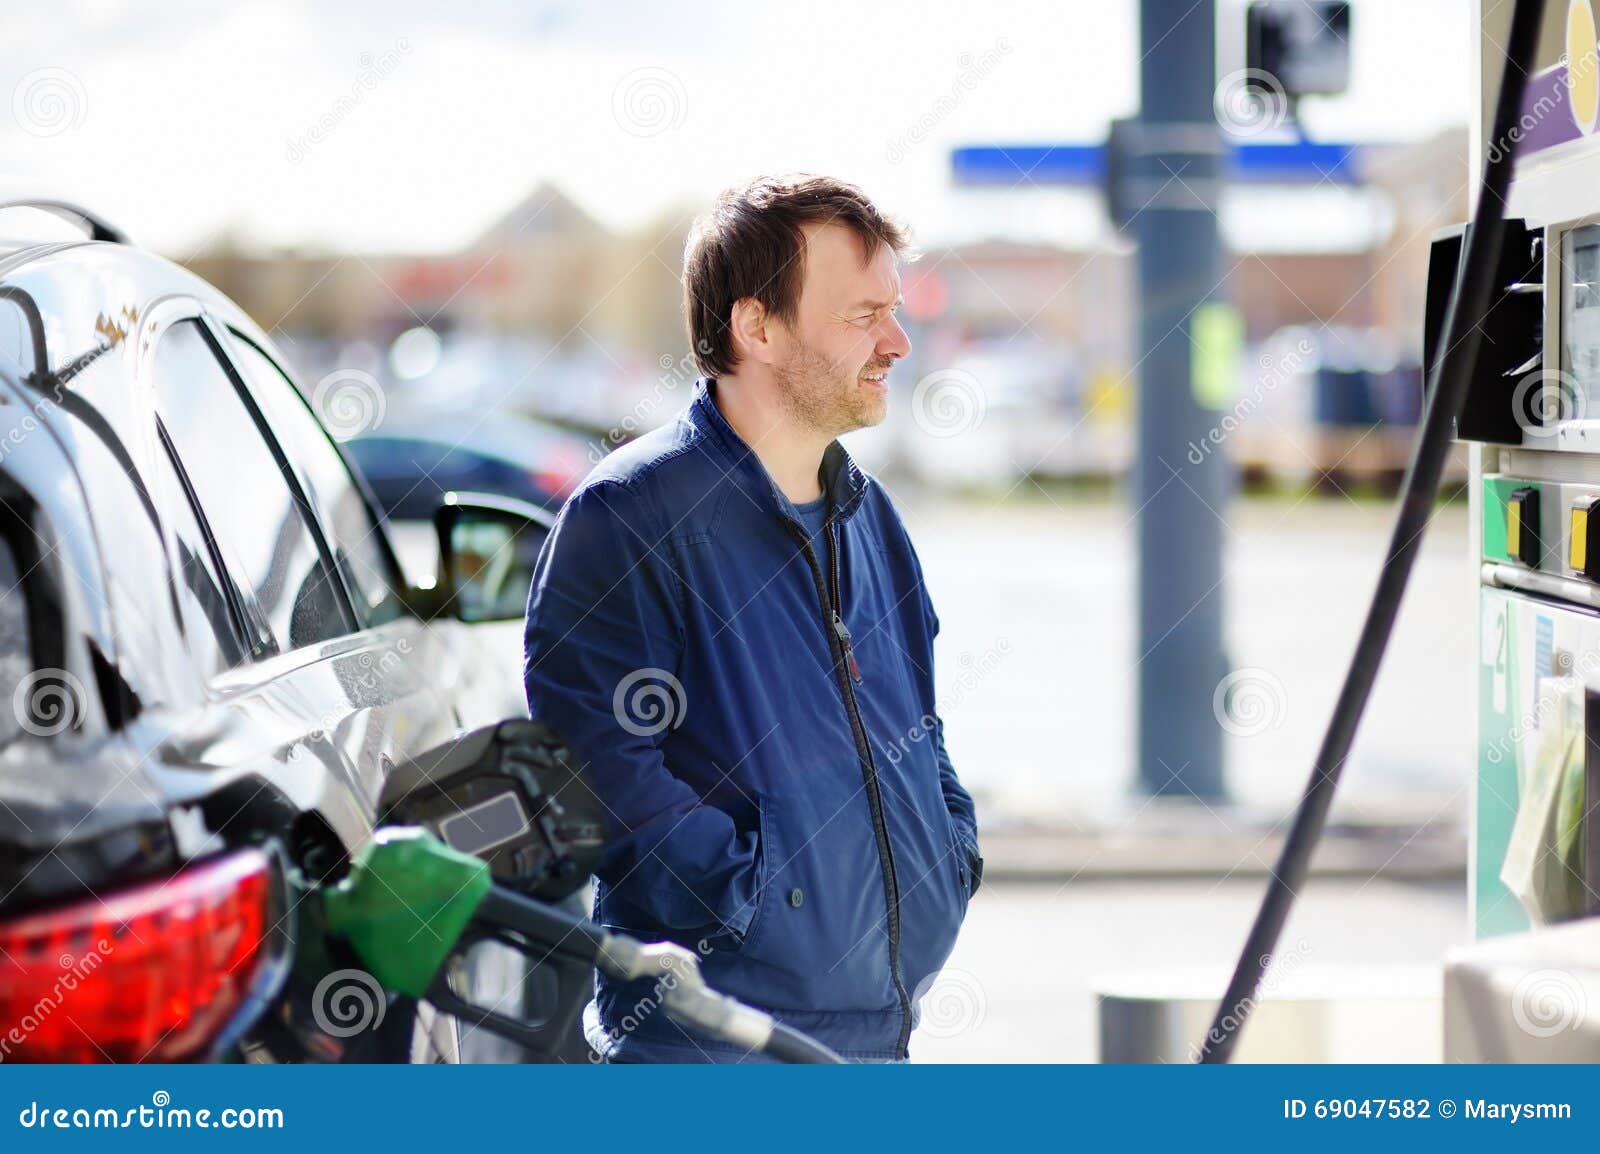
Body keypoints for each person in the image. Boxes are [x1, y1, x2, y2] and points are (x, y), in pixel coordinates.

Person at [523, 174, 981, 1063]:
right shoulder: (633, 513)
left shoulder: (868, 513)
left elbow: (918, 720)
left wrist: (949, 849)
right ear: (757, 327)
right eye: (861, 315)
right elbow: (595, 764)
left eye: (893, 310)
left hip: (877, 1036)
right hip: (711, 1051)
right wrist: (745, 899)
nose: (896, 340)